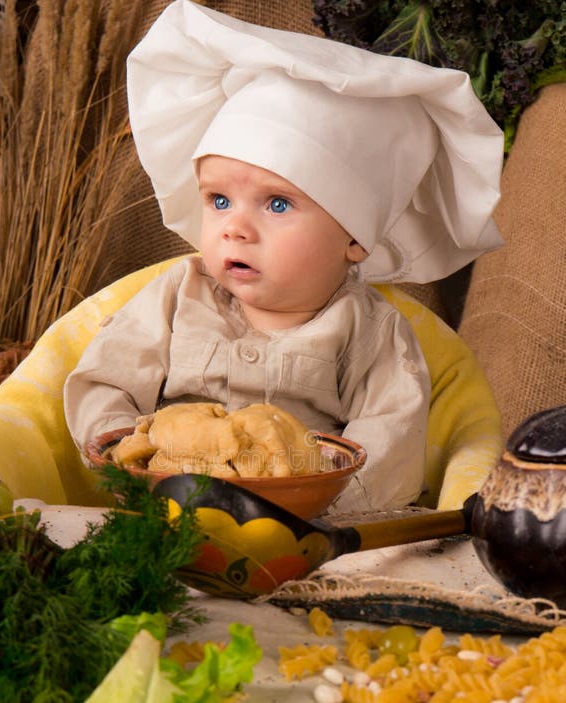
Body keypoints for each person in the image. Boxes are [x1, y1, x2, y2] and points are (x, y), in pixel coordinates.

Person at [64, 0, 504, 513]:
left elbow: (390, 447)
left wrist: (316, 513)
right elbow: (104, 382)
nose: (236, 228)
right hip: (162, 512)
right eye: (219, 200)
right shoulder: (176, 296)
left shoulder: (370, 332)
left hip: (299, 524)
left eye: (277, 204)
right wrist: (128, 465)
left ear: (355, 239)